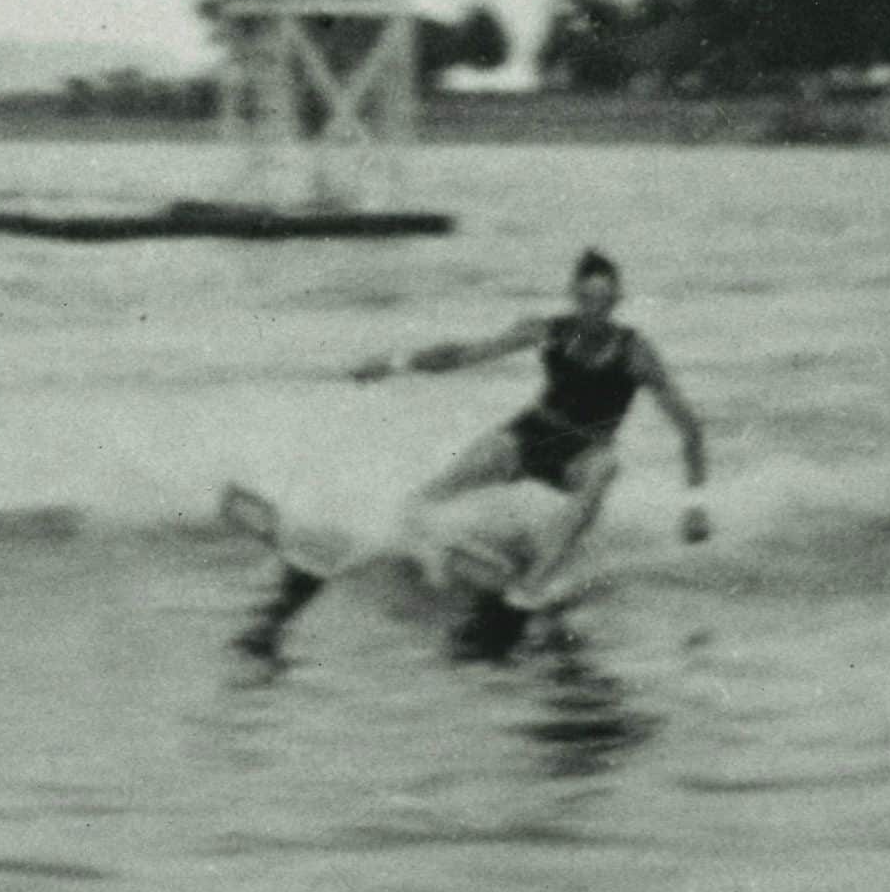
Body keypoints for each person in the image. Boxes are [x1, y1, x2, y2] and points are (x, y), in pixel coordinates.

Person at [232, 248, 709, 665]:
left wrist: (694, 506)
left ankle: (531, 586)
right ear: (574, 295)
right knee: (443, 486)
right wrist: (393, 363)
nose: (594, 309)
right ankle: (382, 540)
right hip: (533, 434)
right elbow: (463, 356)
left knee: (606, 469)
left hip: (583, 454)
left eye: (604, 300)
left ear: (617, 299)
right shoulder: (547, 331)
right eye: (587, 298)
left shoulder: (635, 352)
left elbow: (690, 428)